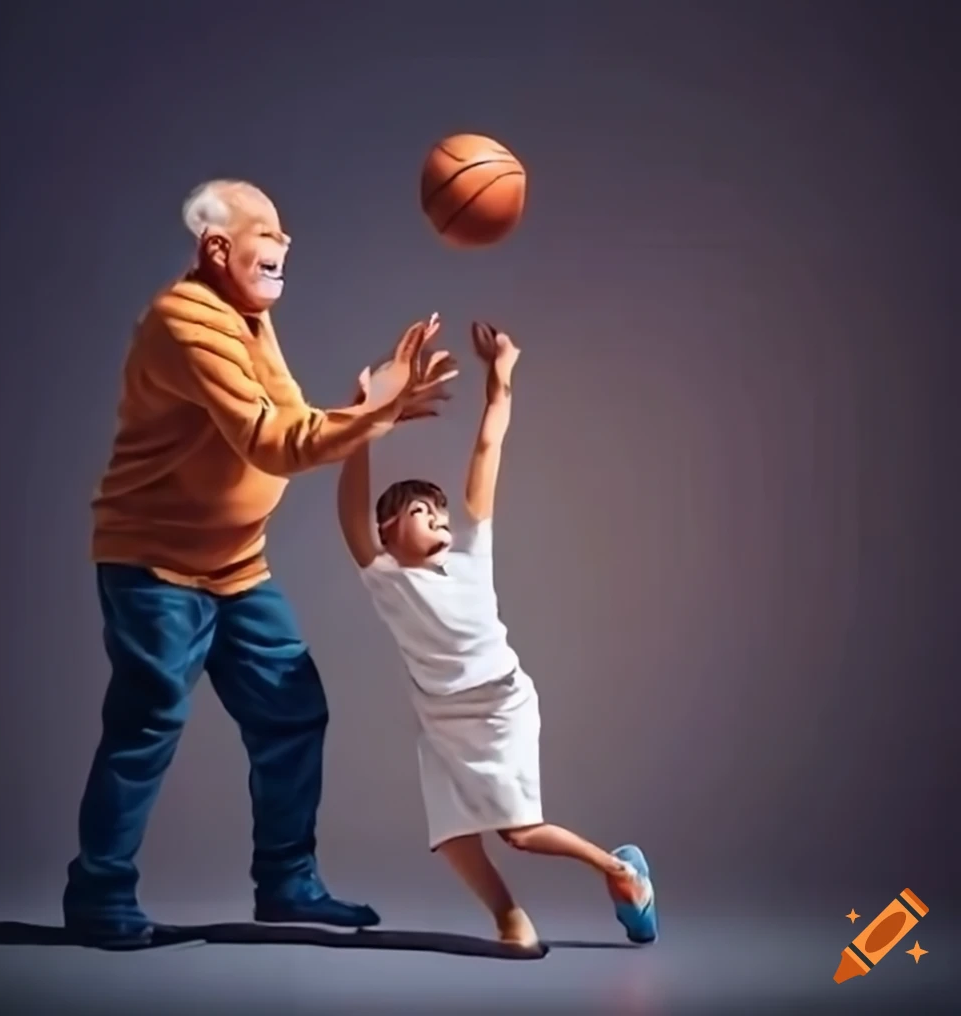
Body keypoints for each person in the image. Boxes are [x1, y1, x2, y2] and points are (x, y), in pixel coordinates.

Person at [63, 179, 457, 948]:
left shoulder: (249, 317)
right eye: (267, 233)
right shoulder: (187, 323)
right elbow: (270, 442)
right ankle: (98, 895)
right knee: (147, 720)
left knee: (292, 711)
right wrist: (372, 413)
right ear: (217, 248)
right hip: (154, 564)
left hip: (236, 567)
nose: (286, 246)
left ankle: (286, 883)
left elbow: (295, 419)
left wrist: (373, 410)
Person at [335, 322, 658, 949]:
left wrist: (500, 379)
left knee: (520, 832)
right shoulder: (385, 579)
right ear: (387, 533)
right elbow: (349, 511)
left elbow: (487, 451)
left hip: (500, 707)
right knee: (452, 837)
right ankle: (511, 919)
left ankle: (623, 873)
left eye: (440, 512)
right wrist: (362, 424)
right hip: (442, 722)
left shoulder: (472, 554)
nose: (438, 518)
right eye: (419, 513)